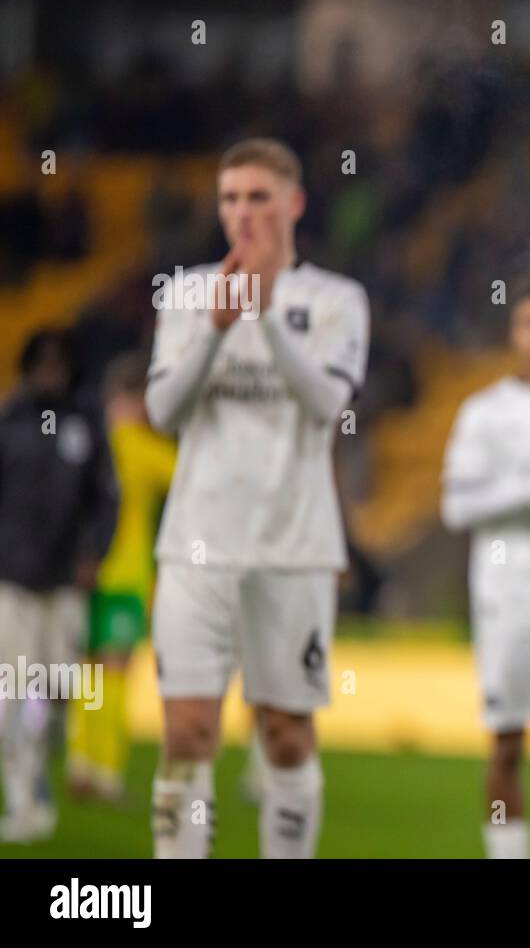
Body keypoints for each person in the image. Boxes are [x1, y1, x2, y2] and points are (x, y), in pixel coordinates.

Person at [145, 138, 370, 858]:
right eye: (231, 198)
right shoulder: (185, 294)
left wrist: (265, 314)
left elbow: (326, 404)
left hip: (294, 548)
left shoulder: (336, 299)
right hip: (195, 547)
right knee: (186, 734)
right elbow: (163, 412)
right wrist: (216, 326)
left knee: (284, 733)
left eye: (259, 196)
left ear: (295, 202)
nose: (243, 212)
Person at [441, 288, 530, 858]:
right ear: (513, 334)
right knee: (505, 742)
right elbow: (457, 506)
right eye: (529, 323)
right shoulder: (485, 412)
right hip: (509, 601)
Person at [0, 329, 118, 842]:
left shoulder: (85, 426)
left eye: (59, 362)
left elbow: (106, 498)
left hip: (66, 580)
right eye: (41, 362)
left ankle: (40, 766)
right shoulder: (11, 422)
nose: (50, 372)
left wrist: (94, 551)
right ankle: (24, 798)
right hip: (13, 580)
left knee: (57, 690)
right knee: (14, 690)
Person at [67, 352, 177, 804]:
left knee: (87, 674)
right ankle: (108, 773)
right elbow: (191, 481)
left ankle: (81, 764)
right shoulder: (143, 447)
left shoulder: (87, 443)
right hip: (127, 577)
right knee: (114, 674)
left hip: (83, 573)